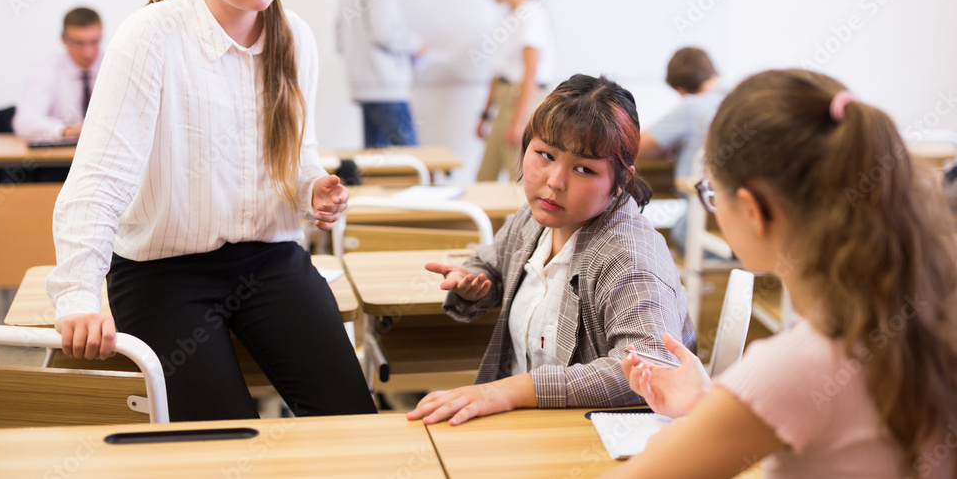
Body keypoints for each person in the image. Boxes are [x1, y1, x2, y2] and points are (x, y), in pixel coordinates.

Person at [46, 0, 376, 421]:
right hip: (163, 274)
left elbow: (297, 157)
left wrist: (311, 189)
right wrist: (77, 295)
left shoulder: (295, 37)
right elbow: (100, 179)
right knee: (222, 439)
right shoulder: (150, 36)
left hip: (270, 261)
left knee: (352, 421)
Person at [606, 70, 957, 478]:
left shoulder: (799, 363)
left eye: (712, 192)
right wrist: (709, 405)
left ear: (752, 210)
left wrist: (670, 441)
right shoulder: (928, 315)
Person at [407, 74, 696, 426]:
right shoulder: (535, 219)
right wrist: (476, 280)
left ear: (621, 180)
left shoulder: (630, 255)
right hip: (531, 425)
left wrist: (511, 390)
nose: (555, 181)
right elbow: (492, 262)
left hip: (592, 439)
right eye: (545, 155)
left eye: (583, 169)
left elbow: (652, 367)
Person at [336, 0, 428, 148]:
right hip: (386, 85)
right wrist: (417, 44)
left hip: (363, 84)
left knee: (375, 163)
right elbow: (386, 33)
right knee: (414, 163)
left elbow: (339, 37)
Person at [476, 0, 557, 182]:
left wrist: (519, 122)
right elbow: (498, 72)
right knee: (486, 175)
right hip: (505, 99)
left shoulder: (531, 14)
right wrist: (485, 114)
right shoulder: (509, 16)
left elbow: (531, 71)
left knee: (517, 176)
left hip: (521, 99)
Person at [637, 47, 724, 251]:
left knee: (678, 233)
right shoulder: (740, 100)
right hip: (743, 217)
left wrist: (670, 146)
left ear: (680, 90)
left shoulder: (692, 107)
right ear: (716, 72)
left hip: (704, 220)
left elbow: (634, 146)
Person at [13, 7, 103, 140]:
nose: (87, 52)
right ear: (64, 39)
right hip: (63, 152)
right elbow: (24, 122)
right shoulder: (46, 71)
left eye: (94, 42)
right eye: (79, 43)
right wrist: (66, 131)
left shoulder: (117, 68)